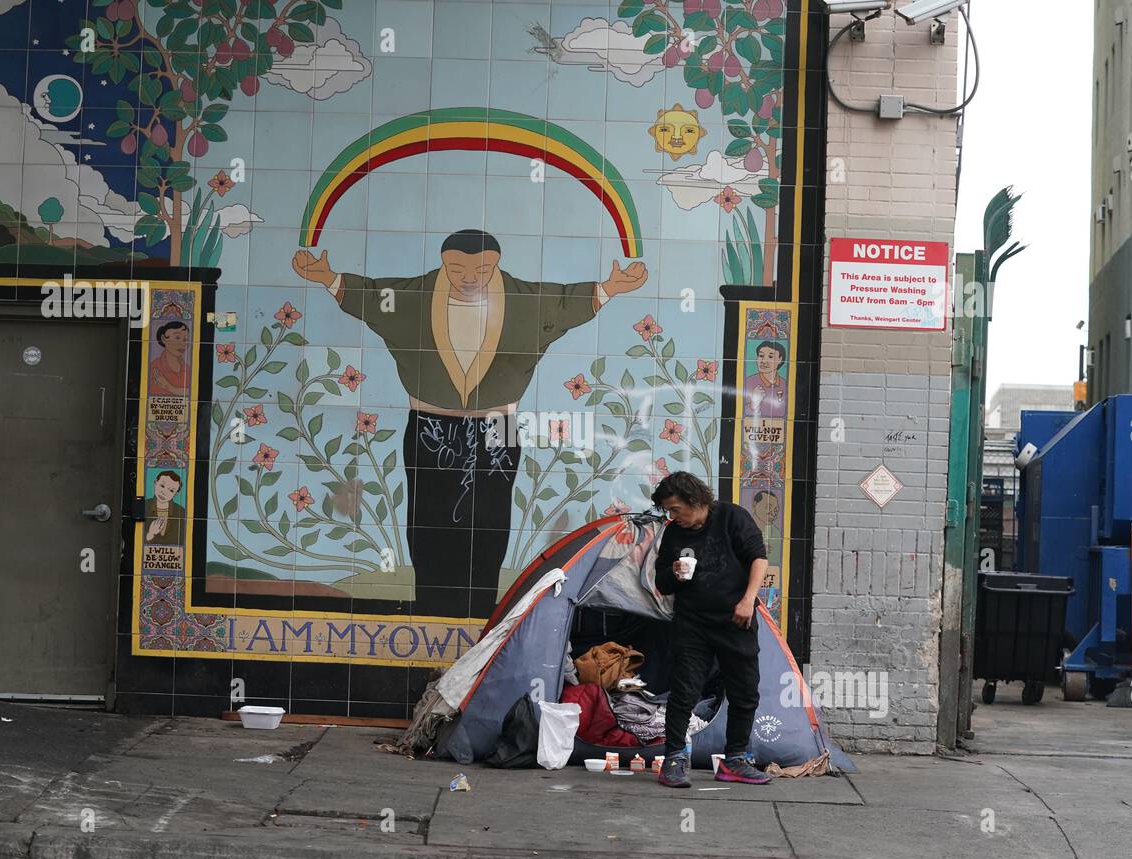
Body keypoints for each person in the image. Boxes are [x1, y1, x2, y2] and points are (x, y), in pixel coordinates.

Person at [293, 229, 649, 617]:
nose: (468, 277)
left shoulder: (525, 301)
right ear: (444, 264)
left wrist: (611, 287)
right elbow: (374, 297)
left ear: (495, 265)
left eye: (481, 268)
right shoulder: (415, 297)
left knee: (491, 519)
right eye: (456, 267)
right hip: (430, 421)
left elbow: (565, 302)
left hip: (501, 423)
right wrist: (329, 279)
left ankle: (481, 608)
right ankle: (432, 605)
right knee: (428, 519)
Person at [651, 471, 771, 786]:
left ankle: (735, 760)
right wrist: (674, 574)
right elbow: (660, 583)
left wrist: (748, 601)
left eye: (675, 509)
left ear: (695, 500)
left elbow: (759, 558)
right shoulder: (674, 533)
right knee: (684, 691)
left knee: (745, 692)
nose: (672, 516)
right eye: (668, 511)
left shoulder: (732, 517)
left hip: (736, 619)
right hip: (693, 624)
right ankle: (674, 759)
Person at [745, 340, 788, 419]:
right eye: (761, 356)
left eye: (770, 357)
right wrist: (753, 404)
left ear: (779, 359)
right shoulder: (747, 382)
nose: (763, 361)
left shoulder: (786, 385)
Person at [144, 470, 185, 546]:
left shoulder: (181, 512)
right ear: (155, 482)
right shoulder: (144, 506)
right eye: (162, 486)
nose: (164, 492)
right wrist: (151, 534)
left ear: (175, 494)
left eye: (171, 490)